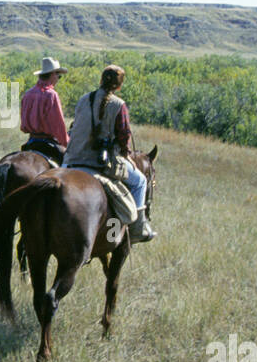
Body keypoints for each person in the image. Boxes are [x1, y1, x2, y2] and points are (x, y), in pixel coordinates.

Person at [62, 64, 157, 242]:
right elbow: (124, 136)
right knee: (140, 181)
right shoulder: (119, 105)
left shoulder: (83, 99)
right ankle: (138, 230)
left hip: (71, 159)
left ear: (100, 80)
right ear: (119, 86)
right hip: (101, 163)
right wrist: (126, 153)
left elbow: (75, 127)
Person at [19, 56, 69, 163]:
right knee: (70, 166)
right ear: (52, 74)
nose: (58, 79)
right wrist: (67, 143)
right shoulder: (51, 95)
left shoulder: (28, 94)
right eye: (58, 76)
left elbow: (23, 125)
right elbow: (59, 125)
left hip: (31, 141)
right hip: (48, 142)